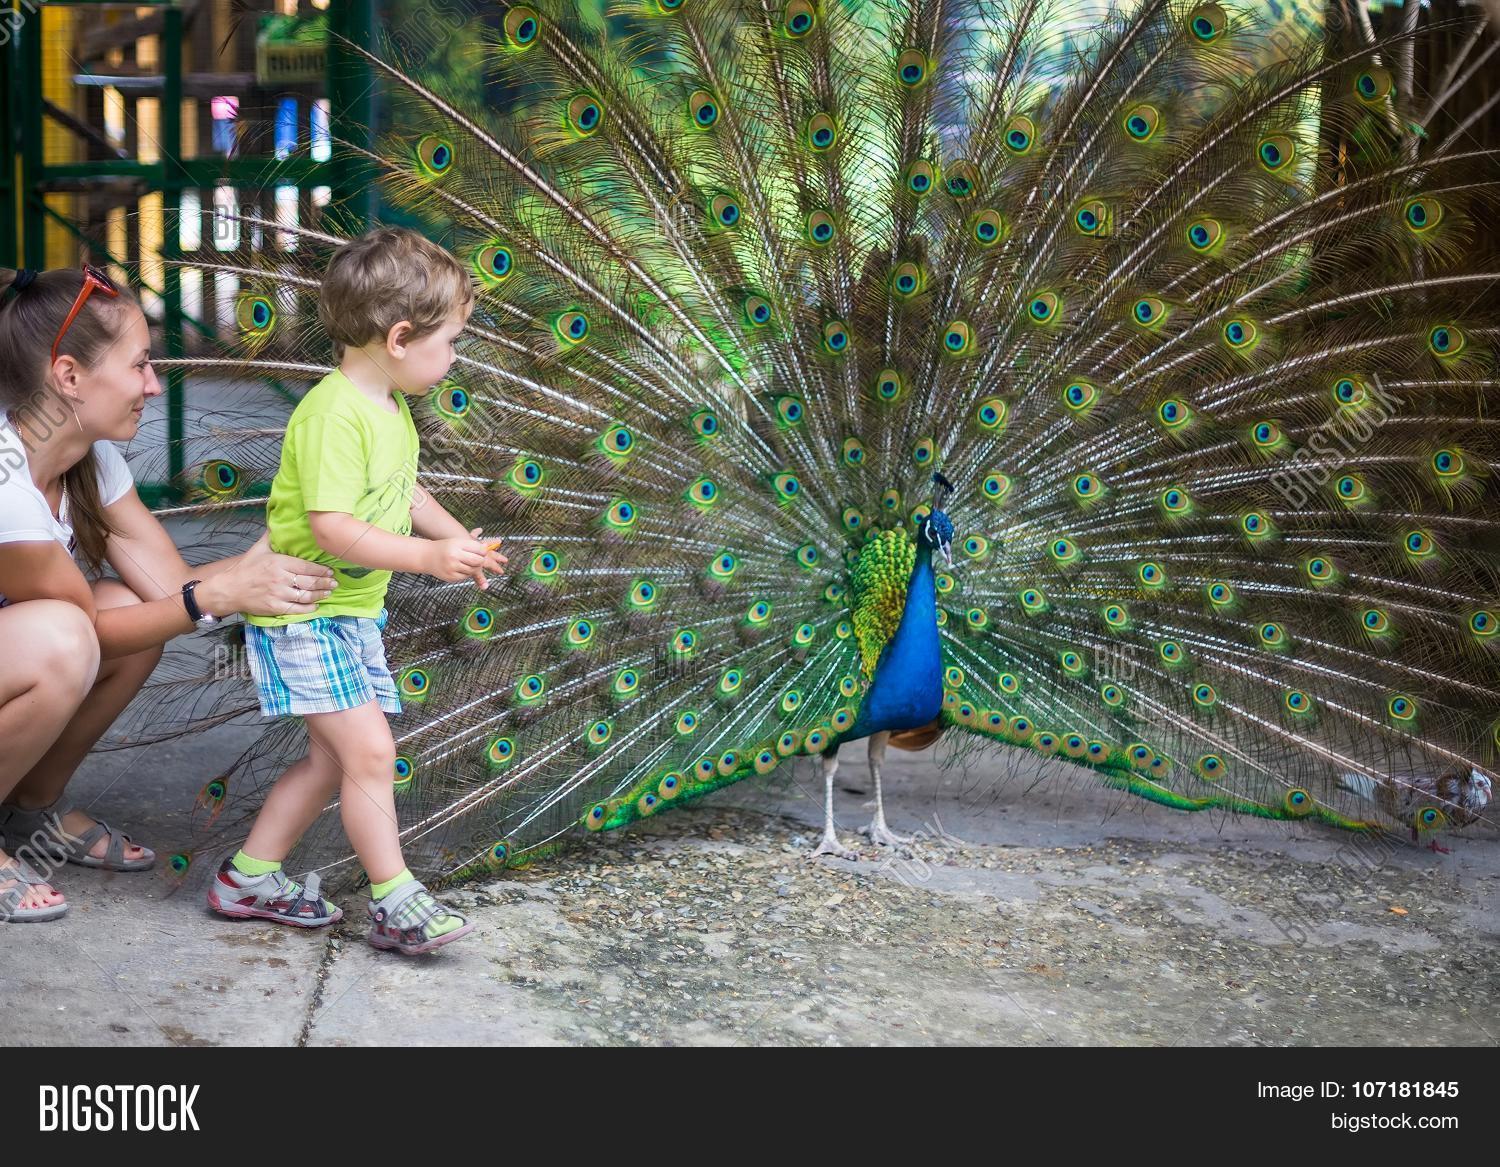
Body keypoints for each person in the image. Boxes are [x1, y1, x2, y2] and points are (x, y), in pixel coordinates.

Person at [0, 265, 337, 923]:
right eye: (139, 365)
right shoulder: (7, 488)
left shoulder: (88, 460)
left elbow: (167, 587)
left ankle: (27, 809)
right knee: (66, 641)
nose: (154, 385)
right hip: (46, 639)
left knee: (131, 612)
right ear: (69, 376)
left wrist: (297, 544)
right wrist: (214, 597)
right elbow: (95, 628)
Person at [208, 227, 506, 955]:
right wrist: (427, 558)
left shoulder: (387, 408)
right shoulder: (333, 415)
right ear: (400, 338)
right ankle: (394, 898)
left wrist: (456, 538)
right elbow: (334, 528)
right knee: (371, 752)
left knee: (331, 763)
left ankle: (247, 878)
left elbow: (405, 491)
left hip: (346, 616)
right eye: (450, 342)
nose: (455, 357)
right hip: (303, 613)